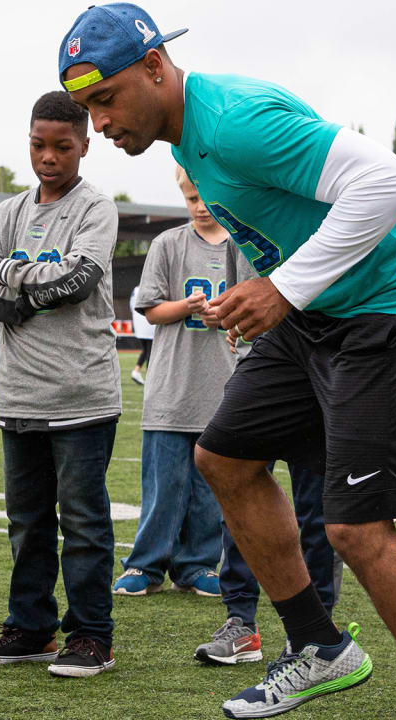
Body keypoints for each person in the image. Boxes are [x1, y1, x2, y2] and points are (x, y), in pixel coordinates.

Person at [58, 5, 396, 718]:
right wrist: (271, 291)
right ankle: (320, 647)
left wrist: (282, 288)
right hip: (324, 310)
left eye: (106, 99)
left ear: (155, 67)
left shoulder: (232, 120)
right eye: (88, 107)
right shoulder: (183, 138)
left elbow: (390, 182)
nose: (100, 123)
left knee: (356, 529)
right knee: (224, 458)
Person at [0, 90, 121, 678]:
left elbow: (77, 282)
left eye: (62, 146)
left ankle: (91, 636)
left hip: (82, 395)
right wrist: (26, 290)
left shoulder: (96, 209)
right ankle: (30, 627)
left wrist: (11, 278)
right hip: (18, 395)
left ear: (84, 145)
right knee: (26, 522)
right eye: (38, 145)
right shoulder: (8, 212)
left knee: (82, 523)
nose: (48, 157)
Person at [113, 168, 238, 600]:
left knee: (208, 492)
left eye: (206, 197)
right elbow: (149, 310)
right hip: (171, 387)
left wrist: (226, 314)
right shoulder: (168, 244)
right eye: (190, 199)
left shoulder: (244, 246)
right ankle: (145, 565)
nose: (200, 207)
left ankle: (198, 564)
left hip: (223, 388)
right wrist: (185, 306)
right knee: (163, 485)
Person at [127, 283, 154, 384]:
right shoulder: (148, 289)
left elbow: (131, 306)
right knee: (150, 352)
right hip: (148, 325)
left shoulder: (135, 289)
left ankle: (136, 371)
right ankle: (149, 378)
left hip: (139, 325)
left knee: (146, 350)